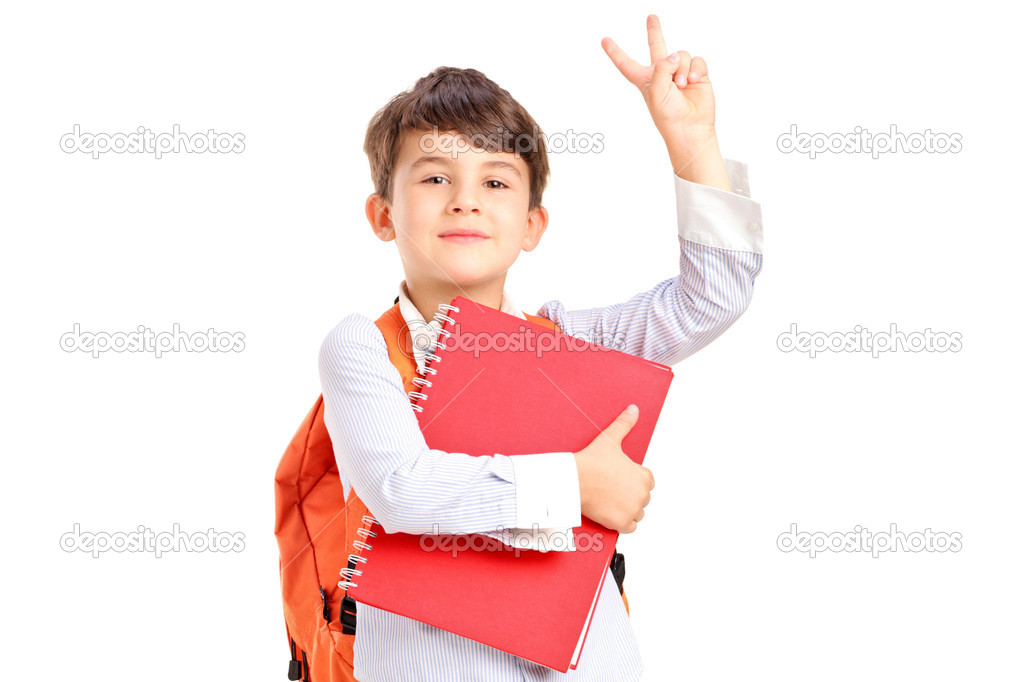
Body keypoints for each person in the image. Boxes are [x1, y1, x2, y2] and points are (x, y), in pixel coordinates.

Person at [317, 14, 763, 681]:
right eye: (434, 178)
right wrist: (575, 483)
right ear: (384, 215)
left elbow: (711, 299)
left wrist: (691, 143)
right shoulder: (363, 348)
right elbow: (400, 488)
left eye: (494, 182)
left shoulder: (569, 344)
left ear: (531, 226)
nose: (465, 201)